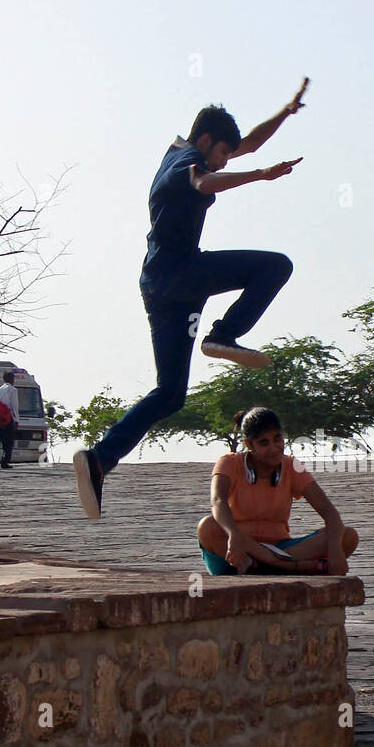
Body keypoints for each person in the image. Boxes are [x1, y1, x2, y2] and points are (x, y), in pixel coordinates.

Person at [73, 78, 311, 520]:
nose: (226, 161)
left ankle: (100, 459)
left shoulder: (183, 150)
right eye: (223, 153)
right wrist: (259, 177)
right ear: (206, 141)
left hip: (160, 287)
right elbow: (203, 182)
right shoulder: (189, 161)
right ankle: (224, 334)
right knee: (275, 265)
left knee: (170, 393)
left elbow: (248, 145)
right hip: (182, 274)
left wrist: (284, 111)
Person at [197, 407, 358, 576]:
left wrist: (335, 551)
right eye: (264, 443)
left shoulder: (292, 467)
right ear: (249, 445)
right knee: (207, 527)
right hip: (238, 549)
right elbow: (218, 501)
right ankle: (287, 567)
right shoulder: (229, 463)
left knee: (347, 536)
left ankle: (263, 567)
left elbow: (329, 512)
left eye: (277, 439)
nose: (274, 448)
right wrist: (233, 534)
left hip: (281, 549)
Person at [0, 370, 20, 469]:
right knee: (8, 442)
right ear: (12, 379)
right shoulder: (12, 389)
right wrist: (16, 420)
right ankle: (4, 462)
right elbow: (14, 405)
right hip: (8, 419)